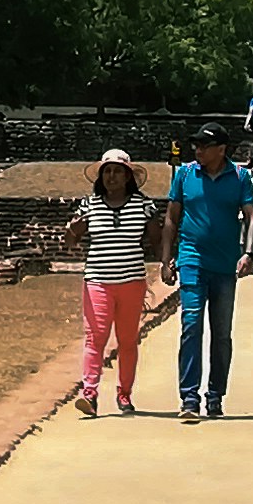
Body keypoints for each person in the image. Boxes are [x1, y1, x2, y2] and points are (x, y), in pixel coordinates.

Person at [157, 123, 253, 418]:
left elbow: (252, 218)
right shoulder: (186, 174)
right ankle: (189, 397)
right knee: (191, 325)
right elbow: (171, 219)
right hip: (192, 259)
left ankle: (215, 394)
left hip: (225, 265)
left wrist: (249, 253)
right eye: (196, 145)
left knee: (221, 333)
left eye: (204, 145)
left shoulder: (240, 177)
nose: (198, 150)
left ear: (222, 149)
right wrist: (166, 259)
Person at [62, 149, 157, 415]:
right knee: (96, 338)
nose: (112, 176)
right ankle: (89, 393)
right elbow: (70, 241)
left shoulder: (143, 205)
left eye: (117, 171)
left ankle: (124, 394)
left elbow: (157, 239)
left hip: (131, 281)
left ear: (128, 176)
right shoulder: (89, 205)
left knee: (127, 340)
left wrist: (166, 262)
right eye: (107, 171)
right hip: (98, 281)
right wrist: (72, 230)